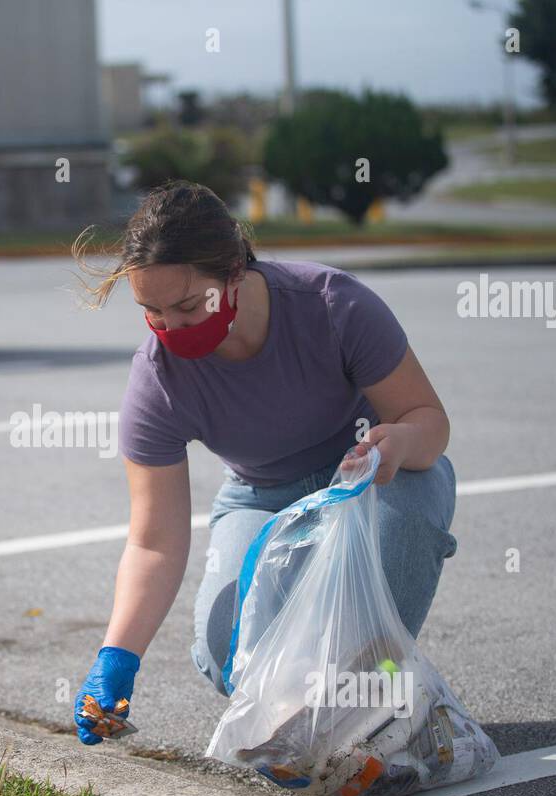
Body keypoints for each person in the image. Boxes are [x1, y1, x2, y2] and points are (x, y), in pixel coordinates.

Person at [69, 180, 458, 745]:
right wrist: (117, 658)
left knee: (395, 547)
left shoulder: (333, 306)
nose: (170, 328)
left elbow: (430, 421)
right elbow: (154, 541)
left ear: (233, 272)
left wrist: (396, 441)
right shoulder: (158, 380)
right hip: (263, 495)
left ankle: (382, 692)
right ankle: (315, 723)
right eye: (150, 311)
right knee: (226, 648)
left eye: (186, 306)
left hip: (373, 479)